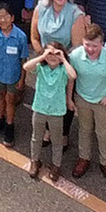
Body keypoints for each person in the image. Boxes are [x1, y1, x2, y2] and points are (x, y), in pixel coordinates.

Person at [69, 22, 106, 183]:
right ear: (83, 42)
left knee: (103, 134)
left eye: (95, 46)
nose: (90, 50)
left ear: (101, 43)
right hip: (82, 99)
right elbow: (70, 78)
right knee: (84, 130)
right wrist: (70, 98)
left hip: (103, 102)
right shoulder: (75, 56)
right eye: (87, 45)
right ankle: (84, 158)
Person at [24, 42, 75, 180]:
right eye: (50, 54)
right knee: (36, 137)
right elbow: (26, 67)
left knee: (57, 140)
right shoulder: (40, 67)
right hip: (39, 108)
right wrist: (42, 56)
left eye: (56, 54)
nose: (53, 57)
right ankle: (35, 161)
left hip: (57, 111)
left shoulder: (64, 70)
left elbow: (73, 76)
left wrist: (63, 59)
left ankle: (56, 165)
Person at [0, 3, 31, 147]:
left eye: (6, 17)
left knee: (10, 100)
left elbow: (24, 59)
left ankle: (9, 125)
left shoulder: (20, 37)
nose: (3, 20)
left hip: (13, 75)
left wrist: (22, 79)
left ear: (12, 18)